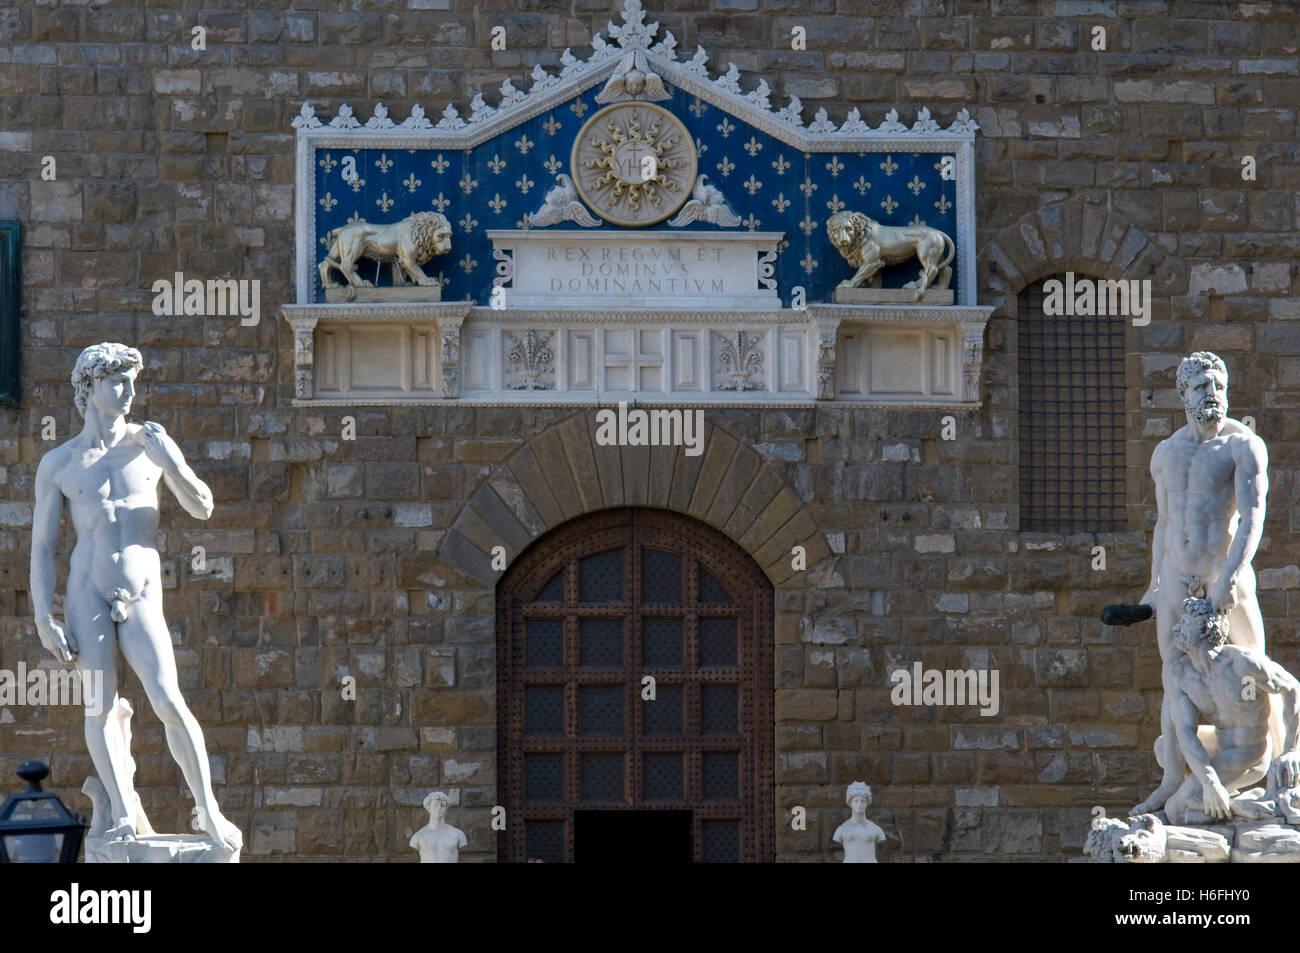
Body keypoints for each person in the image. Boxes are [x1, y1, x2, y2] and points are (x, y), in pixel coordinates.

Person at [29, 343, 242, 852]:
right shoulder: (60, 462)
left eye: (131, 382)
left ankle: (208, 811)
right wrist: (43, 613)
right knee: (99, 705)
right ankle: (123, 811)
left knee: (169, 699)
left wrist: (172, 461)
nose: (128, 392)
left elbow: (203, 506)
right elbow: (41, 545)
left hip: (143, 591)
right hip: (87, 593)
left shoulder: (150, 445)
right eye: (117, 382)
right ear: (89, 388)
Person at [1131, 351, 1276, 815]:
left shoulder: (1243, 445)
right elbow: (1163, 524)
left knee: (1255, 666)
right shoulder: (1165, 453)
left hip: (1224, 573)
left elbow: (1253, 518)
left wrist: (1230, 577)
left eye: (1218, 385)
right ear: (1183, 394)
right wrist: (1154, 588)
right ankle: (1174, 779)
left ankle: (1274, 771)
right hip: (1175, 578)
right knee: (1174, 677)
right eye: (1201, 387)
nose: (1212, 394)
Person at [1159, 598, 1300, 826]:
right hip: (1221, 745)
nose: (1176, 628)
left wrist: (1292, 749)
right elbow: (1185, 732)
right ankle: (1230, 801)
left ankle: (1237, 807)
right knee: (1163, 747)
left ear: (1206, 630)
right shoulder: (1180, 673)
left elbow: (1292, 687)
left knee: (1175, 811)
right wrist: (1210, 783)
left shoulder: (1241, 663)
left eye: (1185, 624)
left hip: (1249, 753)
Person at [832, 781, 885, 863]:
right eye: (856, 801)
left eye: (863, 801)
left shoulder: (876, 829)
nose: (859, 804)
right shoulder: (842, 829)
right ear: (850, 803)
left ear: (867, 803)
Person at [411, 791, 467, 863]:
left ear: (446, 808)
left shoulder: (458, 834)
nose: (438, 809)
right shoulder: (419, 836)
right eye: (435, 805)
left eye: (442, 805)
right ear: (429, 807)